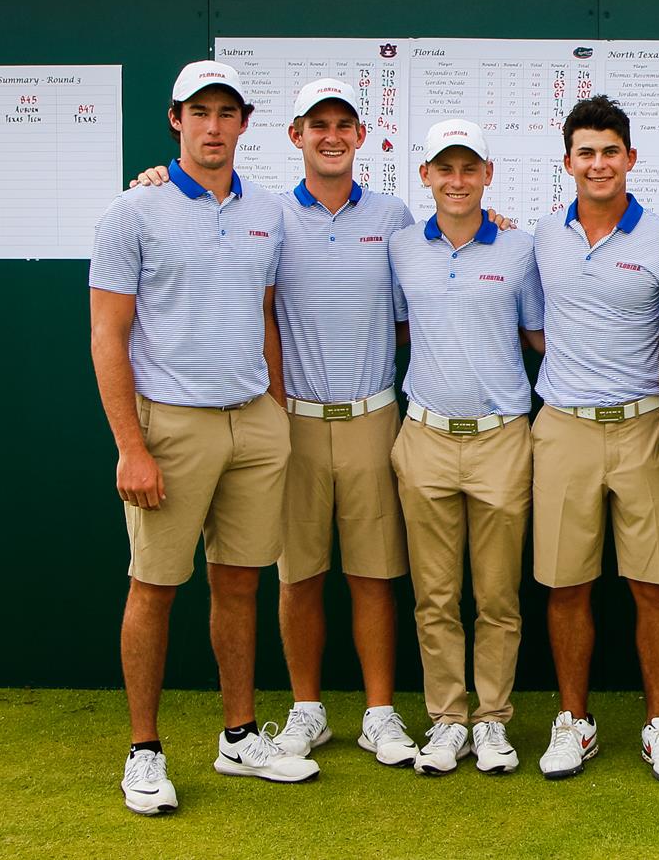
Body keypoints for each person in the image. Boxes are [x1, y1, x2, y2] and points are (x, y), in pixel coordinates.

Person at [127, 79, 422, 767]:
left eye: (342, 124)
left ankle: (380, 714)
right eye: (316, 124)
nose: (330, 135)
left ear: (362, 135)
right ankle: (307, 710)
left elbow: (430, 290)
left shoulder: (395, 216)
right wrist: (149, 180)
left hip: (373, 413)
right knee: (298, 575)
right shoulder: (268, 215)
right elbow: (251, 303)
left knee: (375, 576)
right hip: (287, 420)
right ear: (294, 136)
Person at [92, 60, 317, 815]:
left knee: (241, 581)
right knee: (154, 586)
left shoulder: (267, 211)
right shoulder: (135, 210)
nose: (213, 126)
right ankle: (145, 753)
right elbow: (107, 333)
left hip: (254, 419)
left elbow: (263, 314)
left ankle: (238, 735)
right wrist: (131, 444)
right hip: (171, 423)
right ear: (175, 120)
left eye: (227, 113)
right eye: (200, 112)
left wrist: (278, 410)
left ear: (244, 124)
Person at [527, 96, 659, 784]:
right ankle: (576, 723)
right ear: (568, 162)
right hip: (564, 427)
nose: (599, 164)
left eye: (611, 151)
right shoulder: (540, 235)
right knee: (567, 587)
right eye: (586, 152)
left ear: (630, 157)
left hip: (646, 426)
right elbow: (537, 330)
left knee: (653, 587)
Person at [388, 119, 542, 776]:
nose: (456, 181)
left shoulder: (520, 249)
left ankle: (494, 721)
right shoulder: (398, 247)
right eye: (444, 169)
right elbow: (395, 324)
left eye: (468, 168)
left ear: (486, 175)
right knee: (435, 594)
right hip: (422, 435)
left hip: (502, 438)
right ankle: (448, 718)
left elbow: (539, 336)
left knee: (499, 594)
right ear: (424, 175)